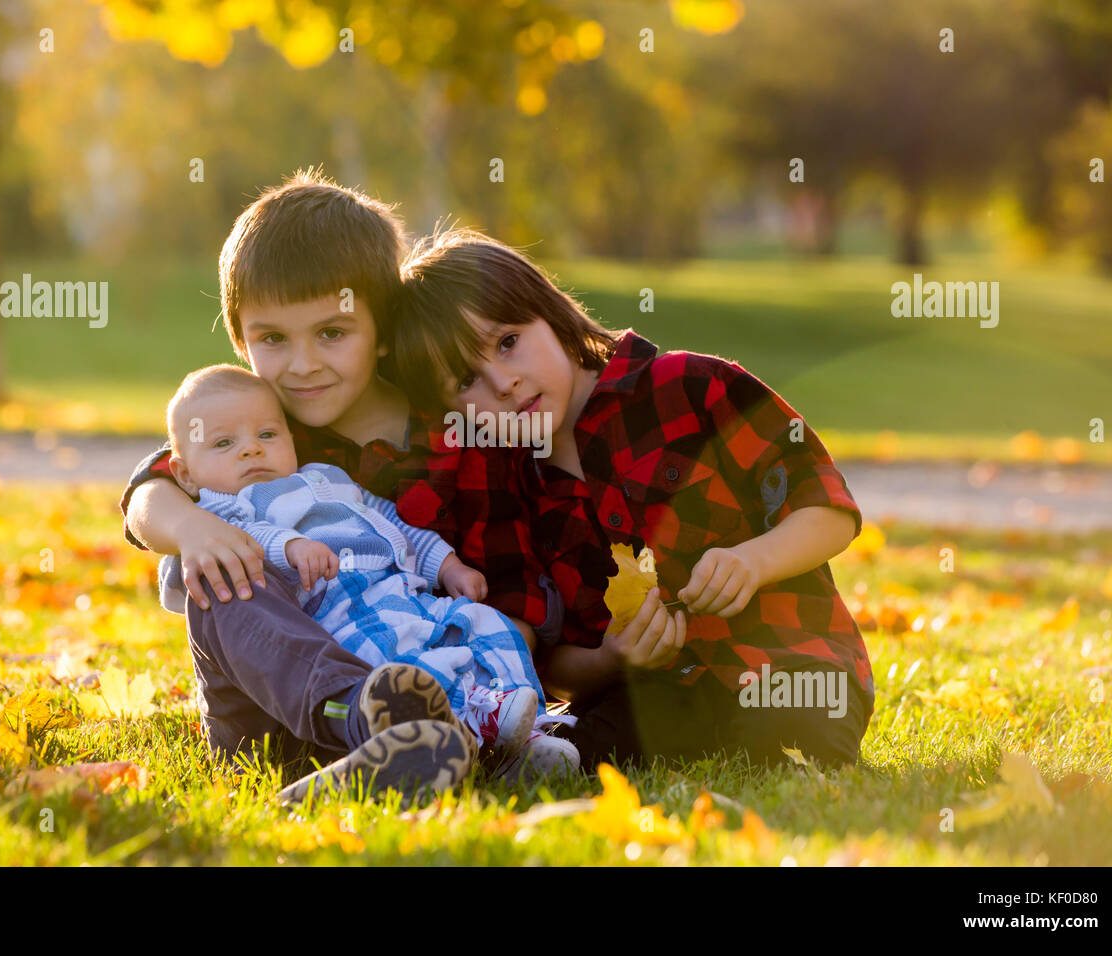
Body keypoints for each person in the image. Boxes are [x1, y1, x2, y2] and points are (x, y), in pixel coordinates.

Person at [121, 170, 560, 797]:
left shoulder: (452, 435)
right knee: (222, 577)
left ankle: (423, 752)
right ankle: (361, 717)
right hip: (276, 713)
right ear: (242, 342)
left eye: (333, 333)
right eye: (273, 339)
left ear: (382, 329)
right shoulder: (260, 431)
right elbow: (153, 484)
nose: (303, 365)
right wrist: (192, 527)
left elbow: (509, 589)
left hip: (432, 676)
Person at [391, 227, 876, 771]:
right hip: (649, 692)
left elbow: (827, 508)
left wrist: (751, 562)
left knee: (791, 723)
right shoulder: (502, 491)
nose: (503, 382)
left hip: (785, 659)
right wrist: (613, 659)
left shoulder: (693, 387)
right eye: (465, 380)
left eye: (507, 342)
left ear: (549, 313)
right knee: (585, 749)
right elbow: (544, 661)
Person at [162, 362, 578, 781]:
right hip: (334, 615)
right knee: (400, 664)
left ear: (292, 439)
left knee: (489, 626)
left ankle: (523, 731)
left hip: (400, 594)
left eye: (267, 434)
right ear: (184, 473)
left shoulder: (329, 479)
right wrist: (290, 546)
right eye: (223, 443)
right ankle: (454, 729)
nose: (251, 449)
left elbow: (390, 520)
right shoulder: (216, 509)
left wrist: (446, 564)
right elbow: (240, 538)